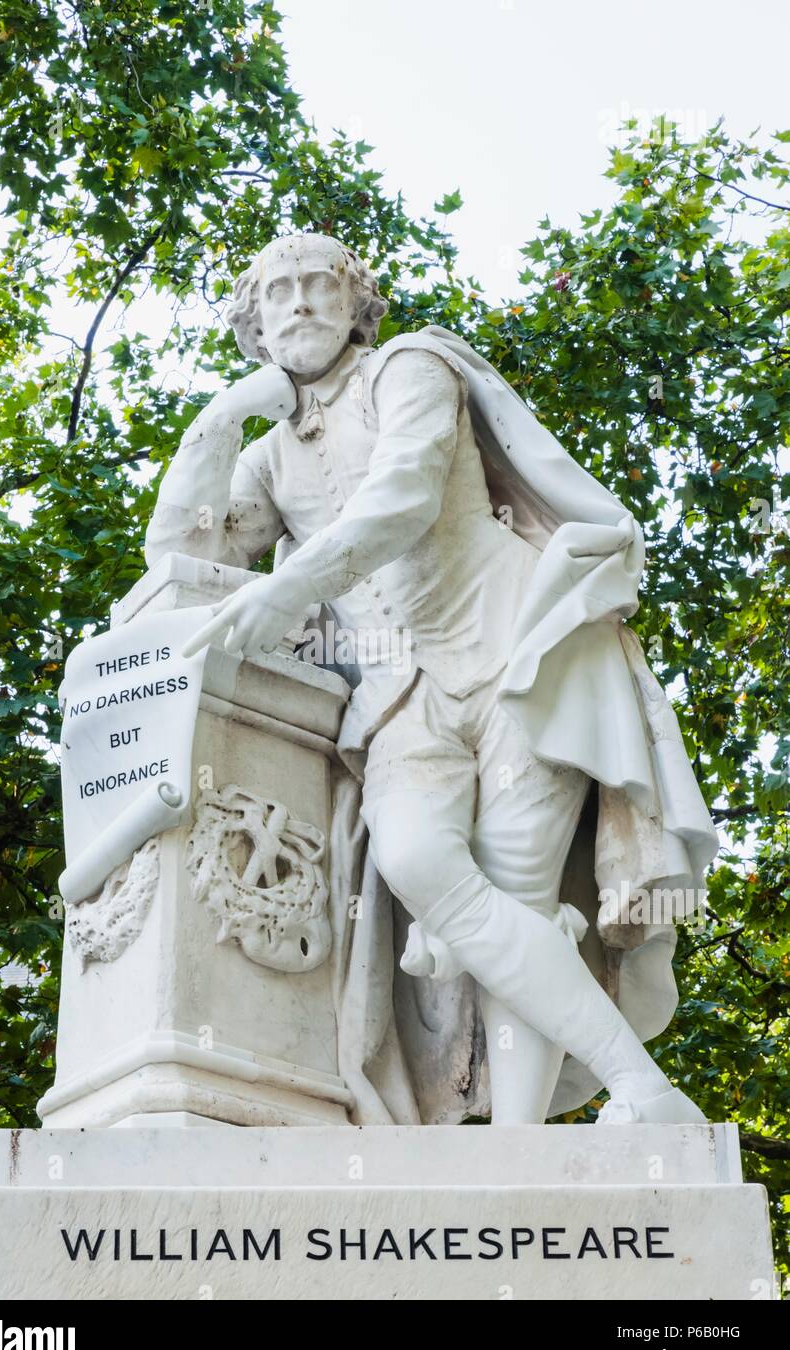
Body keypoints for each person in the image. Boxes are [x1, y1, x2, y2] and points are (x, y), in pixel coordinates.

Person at [145, 232, 717, 1124]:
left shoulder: (410, 368)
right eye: (277, 293)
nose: (299, 304)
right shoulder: (268, 458)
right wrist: (218, 422)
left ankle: (526, 1145)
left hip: (517, 653)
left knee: (517, 888)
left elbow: (403, 496)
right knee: (418, 860)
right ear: (253, 325)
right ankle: (640, 1081)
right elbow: (179, 558)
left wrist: (291, 585)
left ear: (355, 304)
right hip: (397, 694)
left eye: (318, 286)